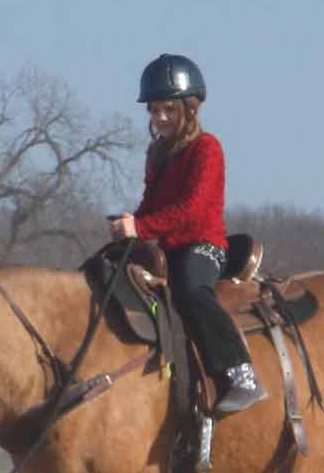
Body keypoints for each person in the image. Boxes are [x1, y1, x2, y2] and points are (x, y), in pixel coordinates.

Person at [108, 53, 267, 415]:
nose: (160, 117)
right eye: (154, 110)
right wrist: (128, 225)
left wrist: (142, 227)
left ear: (189, 109)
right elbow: (152, 203)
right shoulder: (156, 153)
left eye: (168, 109)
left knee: (190, 291)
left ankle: (241, 373)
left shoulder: (207, 148)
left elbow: (192, 210)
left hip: (203, 246)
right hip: (166, 246)